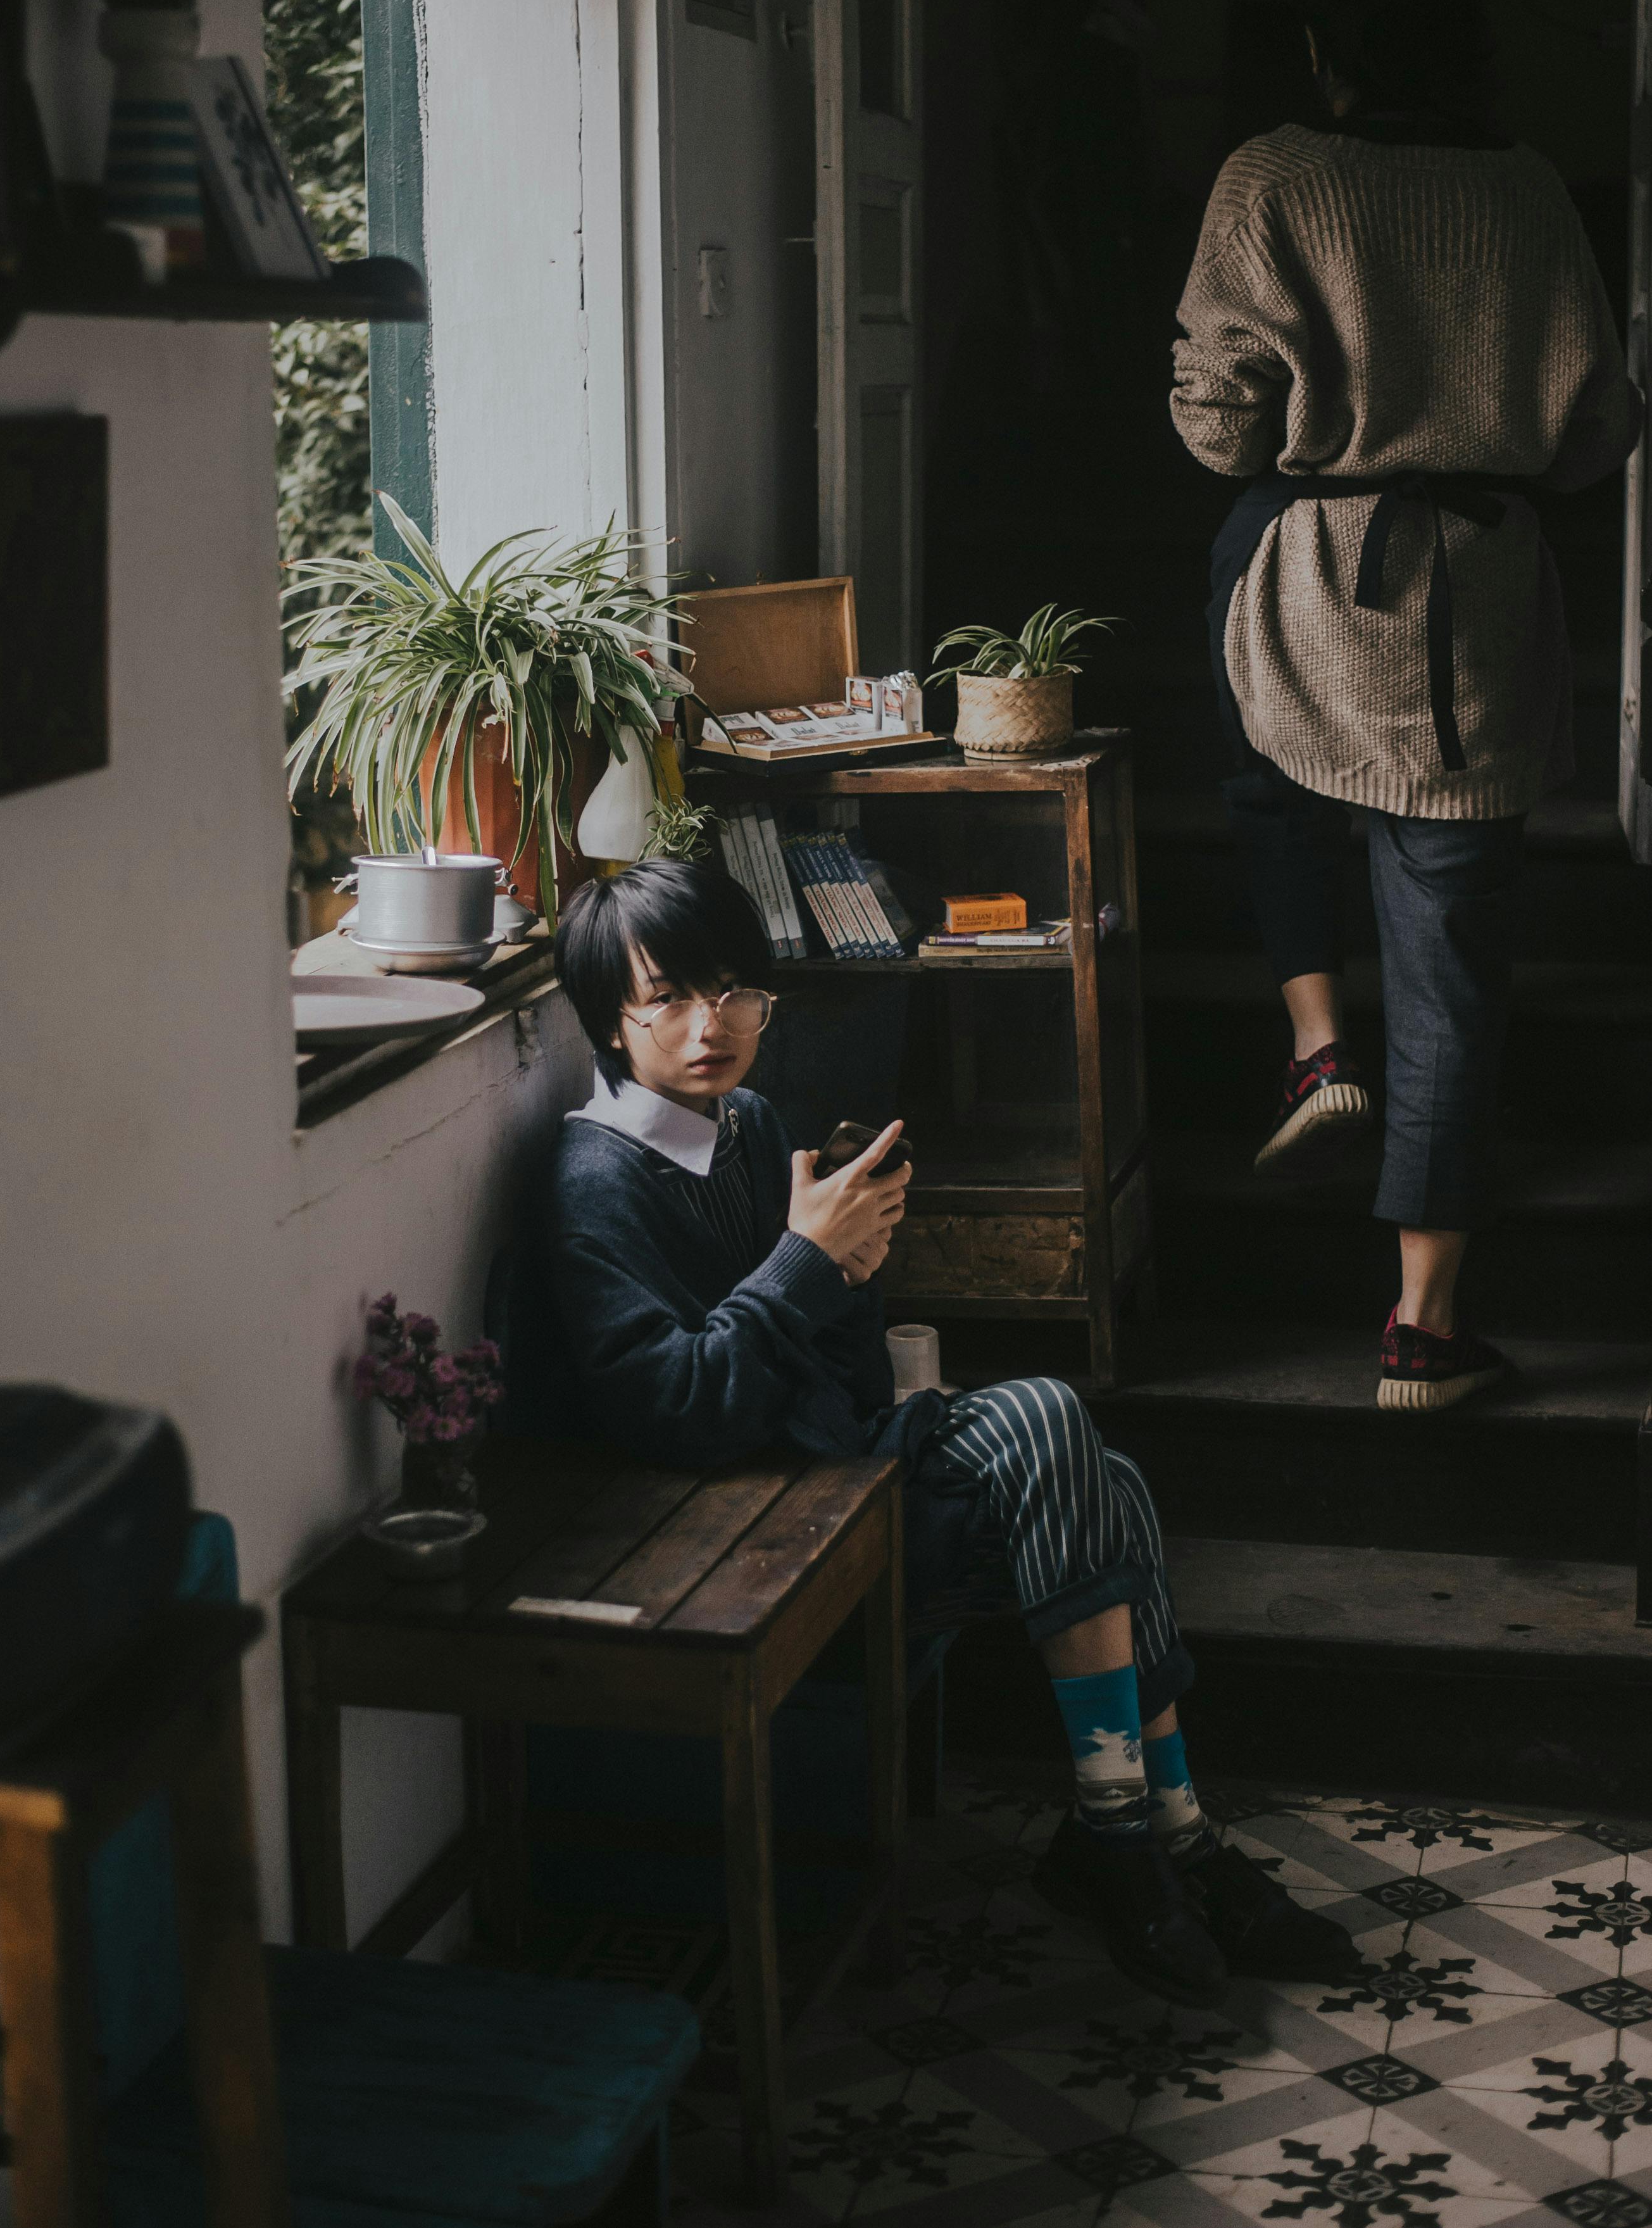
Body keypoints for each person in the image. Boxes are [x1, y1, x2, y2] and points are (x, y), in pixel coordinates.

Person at [503, 858, 1357, 2007]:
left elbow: (842, 1371)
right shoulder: (591, 1178)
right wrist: (806, 1263)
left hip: (828, 1463)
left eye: (735, 989)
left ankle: (1163, 1835)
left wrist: (848, 1269)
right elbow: (680, 1408)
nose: (713, 1025)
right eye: (668, 997)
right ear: (610, 1011)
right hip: (733, 1511)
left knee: (1114, 1483)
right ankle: (1138, 1837)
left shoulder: (752, 1126)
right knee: (1057, 1422)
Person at [1172, 0, 1640, 1413]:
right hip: (1481, 603)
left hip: (1307, 571)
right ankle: (1425, 1330)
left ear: (1321, 49)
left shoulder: (1272, 177)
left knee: (1265, 764)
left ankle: (1315, 1042)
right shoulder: (1528, 194)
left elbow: (1218, 422)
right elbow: (1593, 437)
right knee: (1450, 972)